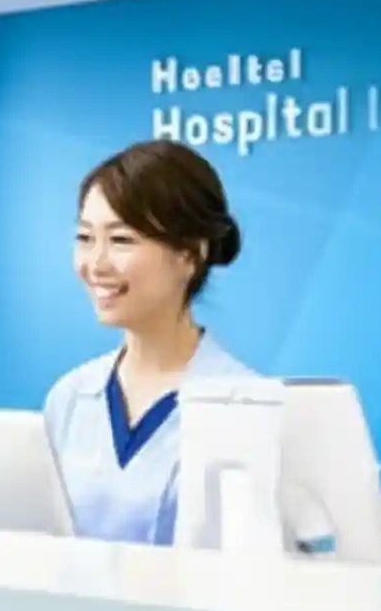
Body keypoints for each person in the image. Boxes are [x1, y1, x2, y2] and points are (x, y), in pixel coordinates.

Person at [44, 139, 250, 545]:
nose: (96, 264)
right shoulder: (69, 399)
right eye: (85, 237)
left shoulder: (241, 405)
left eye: (121, 240)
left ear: (190, 254)